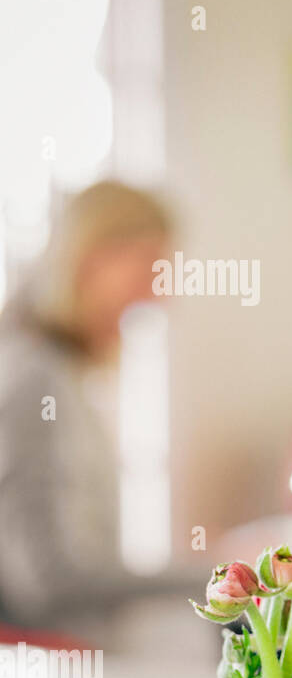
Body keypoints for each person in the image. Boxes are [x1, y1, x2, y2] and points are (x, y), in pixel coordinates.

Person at [0, 181, 185, 634]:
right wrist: (217, 580)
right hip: (56, 664)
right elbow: (49, 582)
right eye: (149, 270)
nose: (159, 295)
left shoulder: (58, 371)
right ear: (90, 261)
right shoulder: (37, 379)